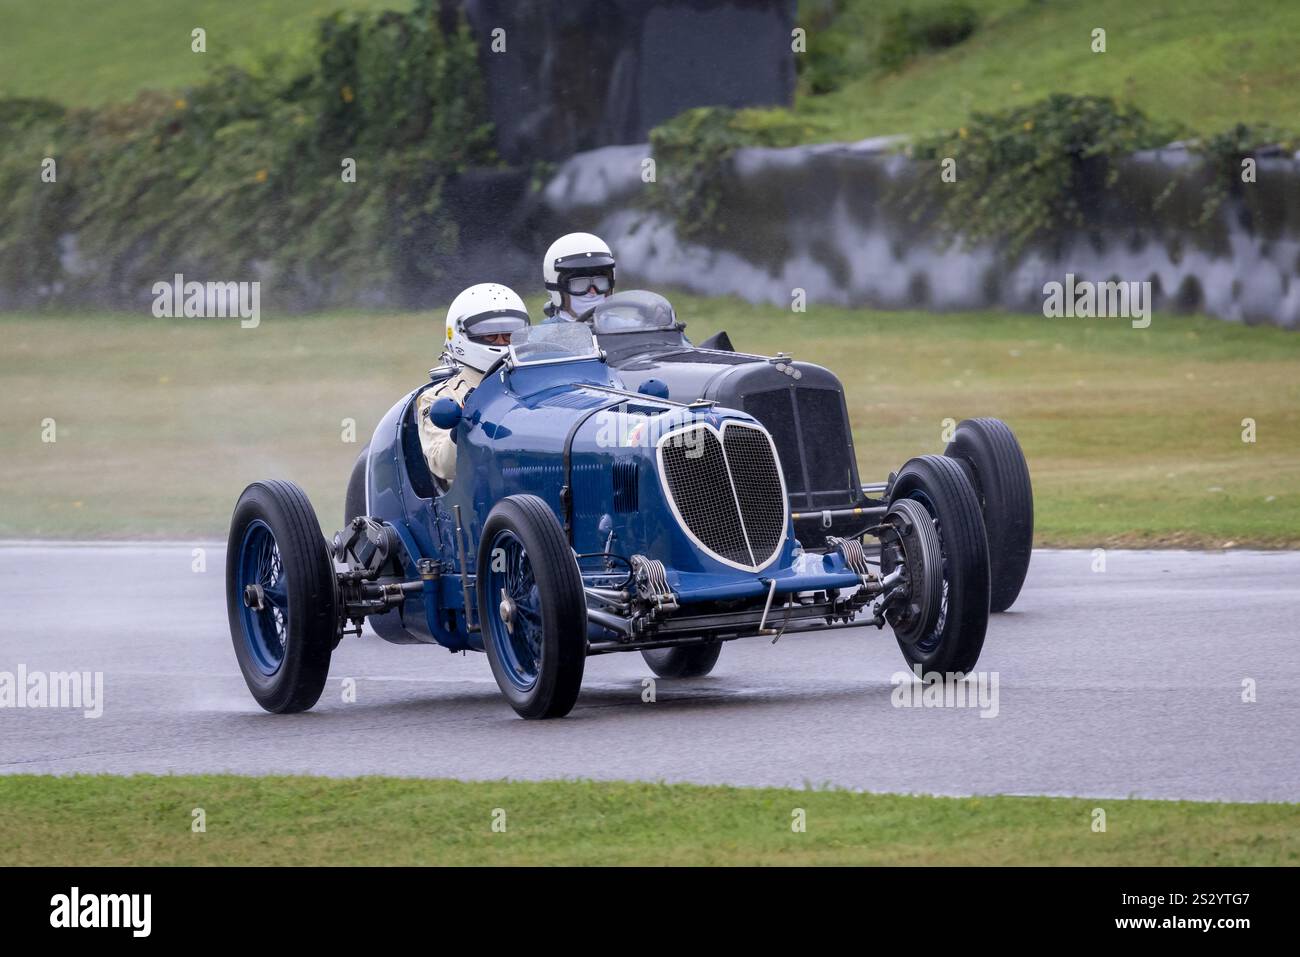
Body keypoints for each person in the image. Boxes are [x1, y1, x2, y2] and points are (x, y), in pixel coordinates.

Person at [418, 283, 529, 488]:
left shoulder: (536, 381)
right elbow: (443, 466)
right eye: (489, 334)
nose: (501, 342)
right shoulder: (439, 397)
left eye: (509, 335)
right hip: (478, 501)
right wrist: (465, 420)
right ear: (460, 334)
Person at [541, 232, 616, 323]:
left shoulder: (626, 328)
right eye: (580, 284)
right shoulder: (545, 336)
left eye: (600, 282)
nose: (592, 292)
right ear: (558, 289)